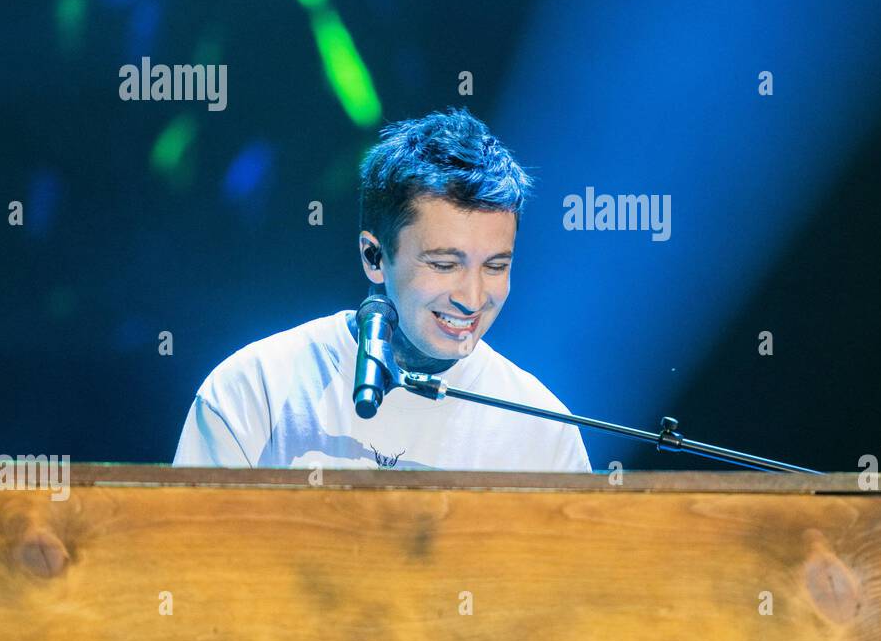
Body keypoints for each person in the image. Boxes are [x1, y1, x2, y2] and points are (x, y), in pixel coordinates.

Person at [172, 107, 590, 472]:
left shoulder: (545, 431)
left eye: (496, 266)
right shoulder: (255, 388)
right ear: (374, 257)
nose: (472, 297)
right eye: (445, 265)